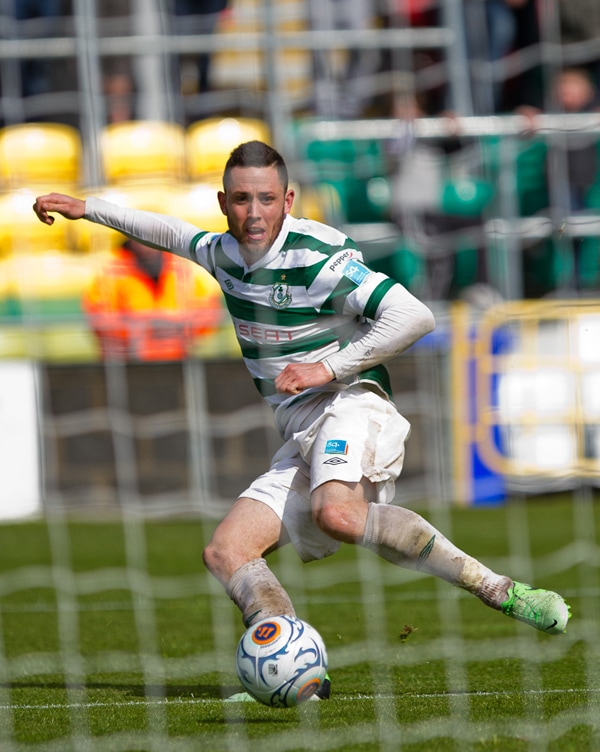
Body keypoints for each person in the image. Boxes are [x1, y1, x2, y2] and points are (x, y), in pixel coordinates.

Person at [33, 140, 571, 701]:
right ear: (223, 202)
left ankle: (498, 590)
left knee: (337, 512)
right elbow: (167, 230)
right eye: (241, 199)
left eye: (267, 198)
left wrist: (326, 367)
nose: (255, 212)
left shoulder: (316, 257)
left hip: (352, 401)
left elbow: (415, 315)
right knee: (226, 552)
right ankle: (298, 671)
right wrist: (87, 208)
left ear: (288, 200)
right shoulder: (222, 254)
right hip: (299, 430)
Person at [82, 237, 224, 362]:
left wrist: (180, 328)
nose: (146, 241)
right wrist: (139, 330)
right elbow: (98, 317)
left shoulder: (182, 267)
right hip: (128, 363)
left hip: (177, 360)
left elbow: (209, 310)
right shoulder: (111, 270)